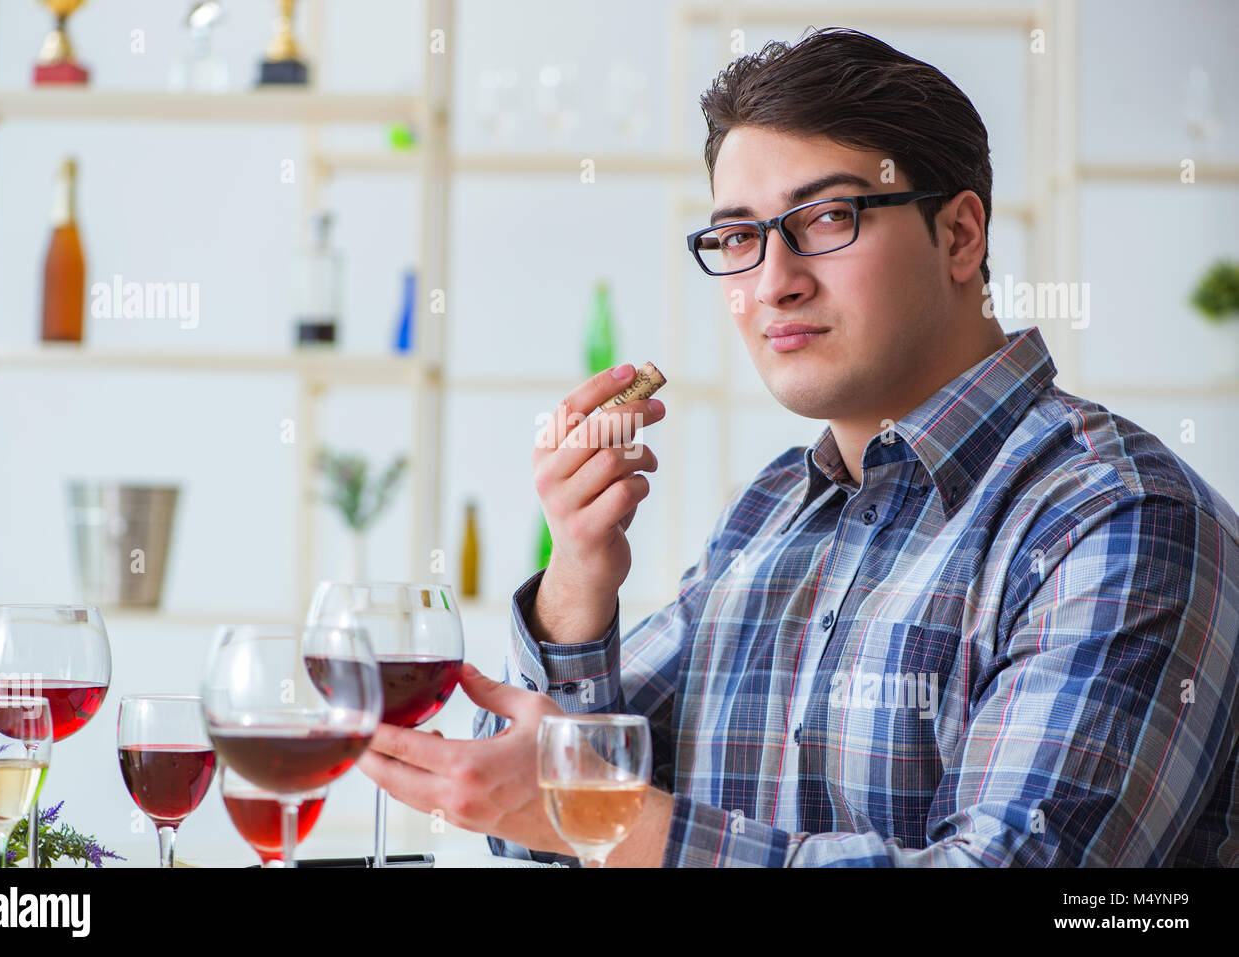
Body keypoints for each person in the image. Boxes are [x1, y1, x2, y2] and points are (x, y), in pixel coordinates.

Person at [358, 27, 1239, 866]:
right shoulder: (774, 510)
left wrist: (603, 815)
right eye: (739, 237)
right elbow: (535, 820)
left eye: (825, 218)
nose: (774, 282)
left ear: (960, 236)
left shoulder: (1117, 517)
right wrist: (578, 578)